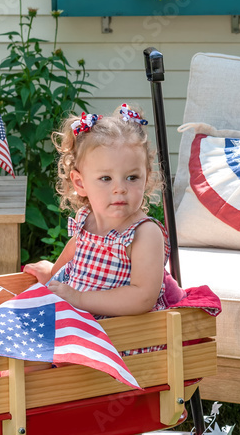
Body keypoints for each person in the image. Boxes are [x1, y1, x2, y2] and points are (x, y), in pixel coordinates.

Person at [23, 105, 170, 317]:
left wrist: (79, 298)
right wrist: (53, 274)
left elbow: (143, 297)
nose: (120, 188)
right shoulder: (87, 220)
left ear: (146, 177)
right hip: (79, 325)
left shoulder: (144, 234)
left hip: (120, 337)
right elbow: (76, 251)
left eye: (132, 177)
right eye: (106, 178)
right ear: (80, 183)